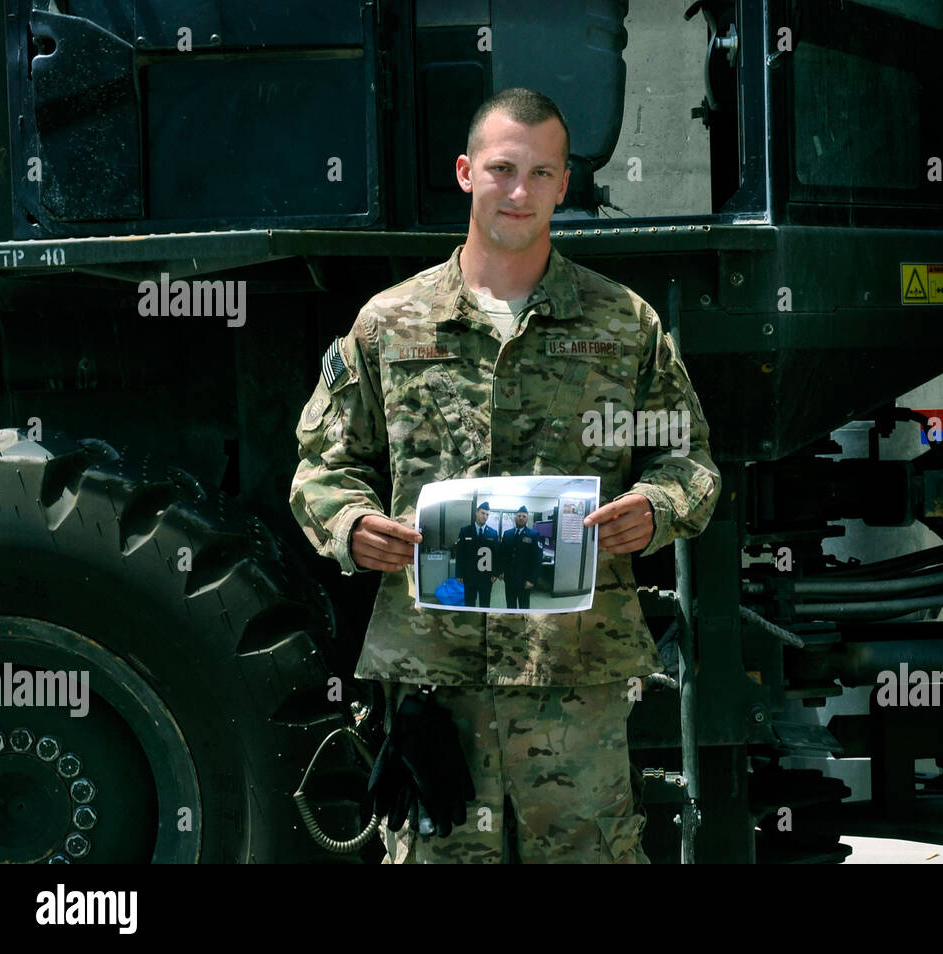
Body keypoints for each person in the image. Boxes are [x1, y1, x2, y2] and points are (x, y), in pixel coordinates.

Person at [289, 87, 720, 863]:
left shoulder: (623, 325)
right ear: (465, 173)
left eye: (540, 173)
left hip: (575, 675)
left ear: (563, 185)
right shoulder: (390, 324)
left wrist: (657, 507)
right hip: (436, 678)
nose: (519, 192)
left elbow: (686, 460)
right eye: (501, 169)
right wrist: (352, 526)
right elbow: (324, 464)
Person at [455, 501, 500, 607]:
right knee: (469, 602)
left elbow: (496, 556)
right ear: (477, 513)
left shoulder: (493, 533)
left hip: (486, 575)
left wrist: (495, 573)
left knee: (485, 603)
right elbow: (460, 554)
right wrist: (459, 573)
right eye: (483, 513)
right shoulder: (465, 531)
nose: (485, 516)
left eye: (487, 514)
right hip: (469, 574)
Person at [499, 506, 543, 609]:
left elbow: (537, 560)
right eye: (519, 516)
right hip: (509, 579)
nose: (521, 518)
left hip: (525, 579)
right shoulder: (507, 534)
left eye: (524, 516)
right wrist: (500, 570)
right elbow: (502, 554)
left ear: (527, 519)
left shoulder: (534, 535)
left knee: (524, 606)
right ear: (515, 517)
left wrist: (532, 580)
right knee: (510, 605)